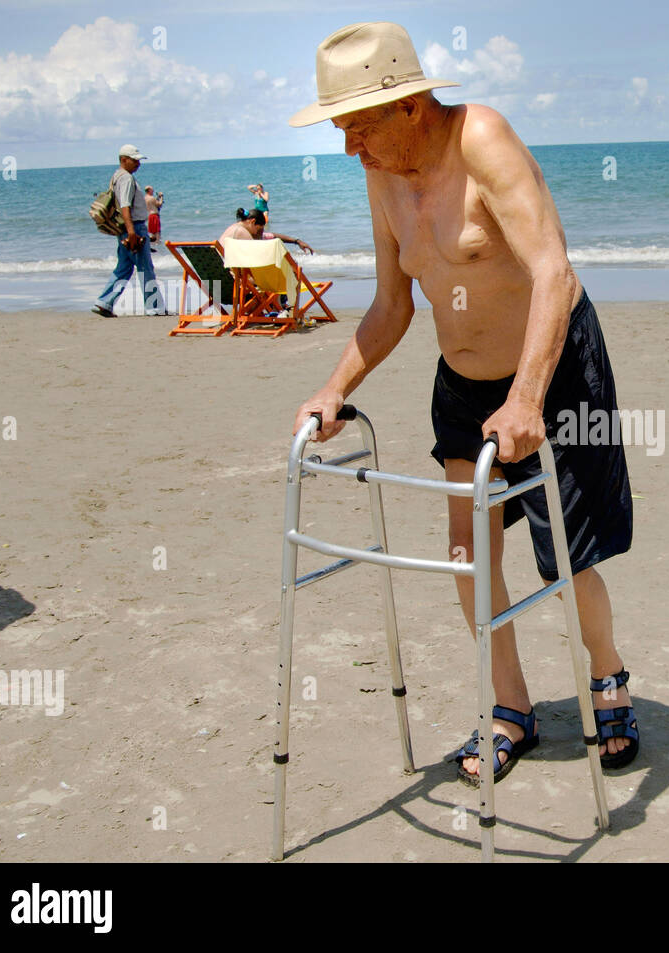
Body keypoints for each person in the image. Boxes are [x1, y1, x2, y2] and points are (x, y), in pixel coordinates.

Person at [289, 21, 639, 784]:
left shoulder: (483, 140)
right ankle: (511, 705)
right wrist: (334, 387)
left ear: (409, 106)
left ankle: (606, 671)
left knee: (568, 559)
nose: (351, 147)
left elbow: (554, 272)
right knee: (467, 551)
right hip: (463, 382)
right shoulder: (383, 172)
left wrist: (526, 399)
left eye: (357, 126)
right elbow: (391, 304)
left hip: (553, 368)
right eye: (342, 130)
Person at [93, 144, 166, 317]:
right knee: (145, 268)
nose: (138, 164)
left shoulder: (116, 177)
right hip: (134, 227)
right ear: (123, 160)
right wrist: (132, 232)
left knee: (124, 268)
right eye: (134, 160)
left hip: (125, 229)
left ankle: (104, 302)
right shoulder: (125, 178)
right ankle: (154, 307)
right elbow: (125, 206)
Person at [220, 209, 313, 253]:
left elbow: (271, 236)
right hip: (232, 281)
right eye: (260, 229)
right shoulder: (242, 232)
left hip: (216, 281)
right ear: (253, 222)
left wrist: (297, 241)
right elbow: (257, 257)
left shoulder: (235, 228)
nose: (260, 233)